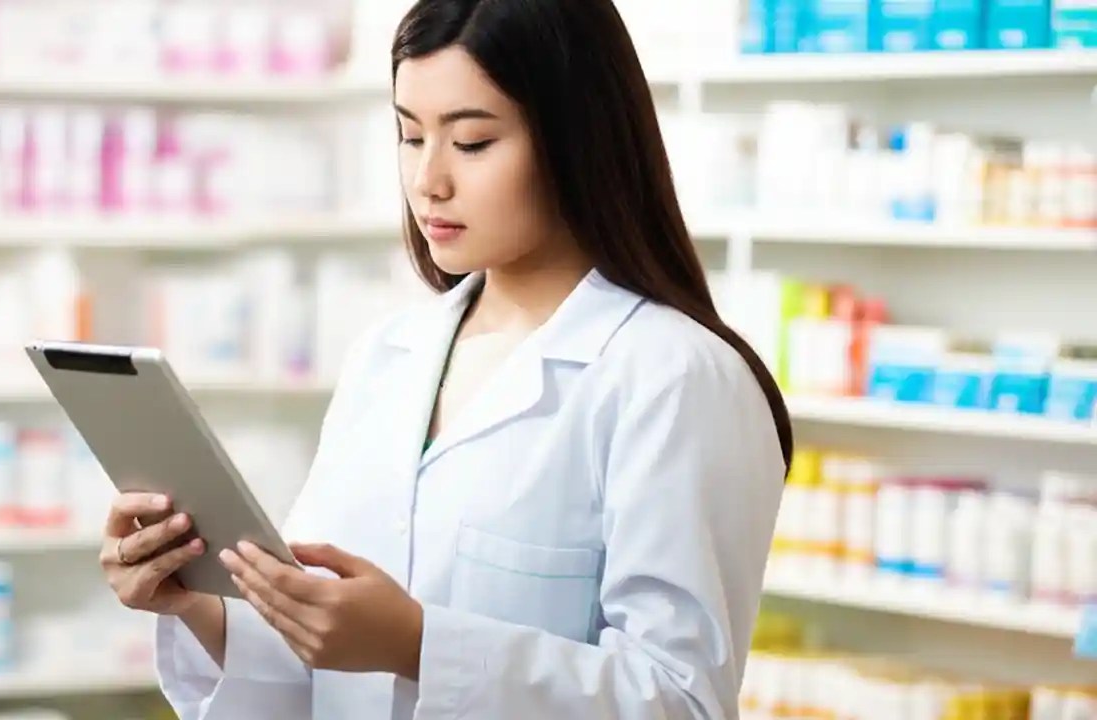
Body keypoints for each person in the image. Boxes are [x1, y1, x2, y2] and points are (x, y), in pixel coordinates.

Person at [100, 1, 792, 718]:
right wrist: (194, 604)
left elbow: (682, 702)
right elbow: (319, 666)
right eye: (409, 135)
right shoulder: (387, 356)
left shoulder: (675, 378)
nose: (429, 180)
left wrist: (418, 645)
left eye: (471, 142)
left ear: (576, 140)